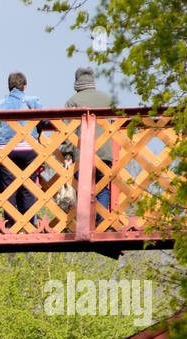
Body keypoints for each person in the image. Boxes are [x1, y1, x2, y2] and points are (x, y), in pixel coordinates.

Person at [0, 72, 45, 223]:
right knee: (29, 185)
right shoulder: (33, 101)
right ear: (24, 86)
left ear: (9, 87)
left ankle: (10, 224)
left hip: (6, 150)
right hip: (28, 148)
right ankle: (28, 223)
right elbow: (46, 121)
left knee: (9, 189)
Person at [63, 67, 114, 223]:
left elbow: (68, 132)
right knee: (102, 188)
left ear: (76, 82)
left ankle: (87, 222)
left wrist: (67, 154)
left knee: (83, 189)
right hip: (105, 153)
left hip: (82, 155)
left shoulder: (73, 101)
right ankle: (101, 222)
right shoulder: (107, 99)